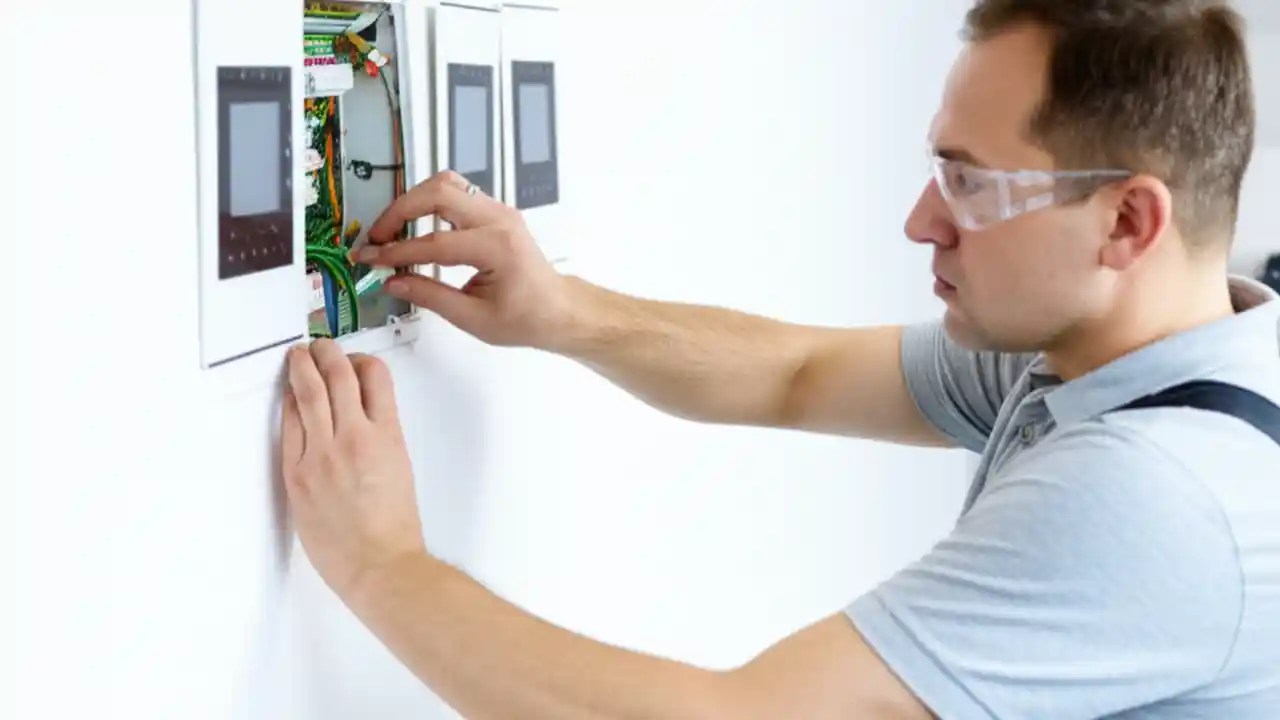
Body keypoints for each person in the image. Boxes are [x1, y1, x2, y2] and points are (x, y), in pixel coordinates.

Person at [278, 0, 1280, 717]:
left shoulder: (1151, 494)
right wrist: (558, 309)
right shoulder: (1132, 355)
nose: (920, 221)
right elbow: (792, 374)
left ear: (1125, 222)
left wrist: (378, 565)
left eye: (970, 185)